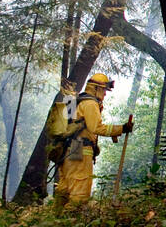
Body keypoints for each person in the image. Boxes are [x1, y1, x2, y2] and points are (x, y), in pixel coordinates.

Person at [53, 73, 132, 210]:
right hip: (79, 149)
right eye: (104, 90)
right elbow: (96, 127)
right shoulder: (90, 104)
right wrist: (122, 129)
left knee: (64, 190)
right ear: (96, 88)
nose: (105, 94)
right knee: (80, 193)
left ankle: (55, 223)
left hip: (67, 150)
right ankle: (70, 225)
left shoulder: (78, 101)